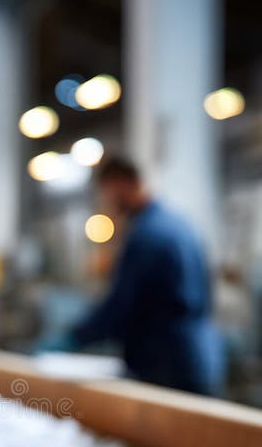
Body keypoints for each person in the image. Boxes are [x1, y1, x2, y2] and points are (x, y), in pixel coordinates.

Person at [67, 156, 225, 395]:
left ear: (120, 184)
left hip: (166, 366)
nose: (108, 205)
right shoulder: (179, 224)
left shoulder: (147, 236)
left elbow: (119, 306)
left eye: (108, 196)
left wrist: (74, 338)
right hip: (200, 357)